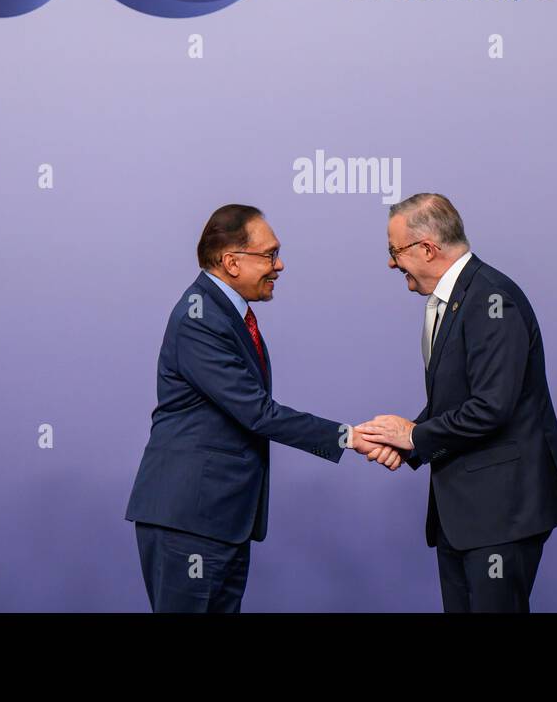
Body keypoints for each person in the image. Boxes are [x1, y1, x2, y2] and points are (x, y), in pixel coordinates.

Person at [125, 204, 397, 612]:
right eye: (269, 254)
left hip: (221, 520)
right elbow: (257, 413)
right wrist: (351, 437)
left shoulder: (226, 313)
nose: (280, 265)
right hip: (189, 521)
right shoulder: (199, 317)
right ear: (231, 261)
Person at [356, 193, 557, 612]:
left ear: (427, 248)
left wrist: (412, 435)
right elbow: (456, 400)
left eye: (395, 251)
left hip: (500, 512)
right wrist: (407, 442)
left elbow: (492, 407)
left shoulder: (491, 299)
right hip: (466, 514)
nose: (391, 263)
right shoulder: (461, 297)